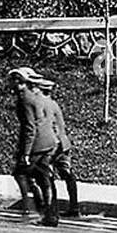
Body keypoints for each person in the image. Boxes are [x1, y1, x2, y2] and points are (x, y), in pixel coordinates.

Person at [10, 67, 57, 226]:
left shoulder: (25, 100)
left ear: (20, 82)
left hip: (37, 144)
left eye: (13, 80)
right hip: (48, 141)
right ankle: (49, 214)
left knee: (20, 174)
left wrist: (26, 153)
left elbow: (30, 128)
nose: (10, 83)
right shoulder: (36, 97)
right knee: (43, 177)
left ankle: (30, 210)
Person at [32, 75, 79, 218]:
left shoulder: (43, 105)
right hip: (63, 143)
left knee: (46, 175)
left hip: (53, 144)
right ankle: (74, 207)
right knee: (67, 174)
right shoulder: (53, 104)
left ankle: (51, 210)